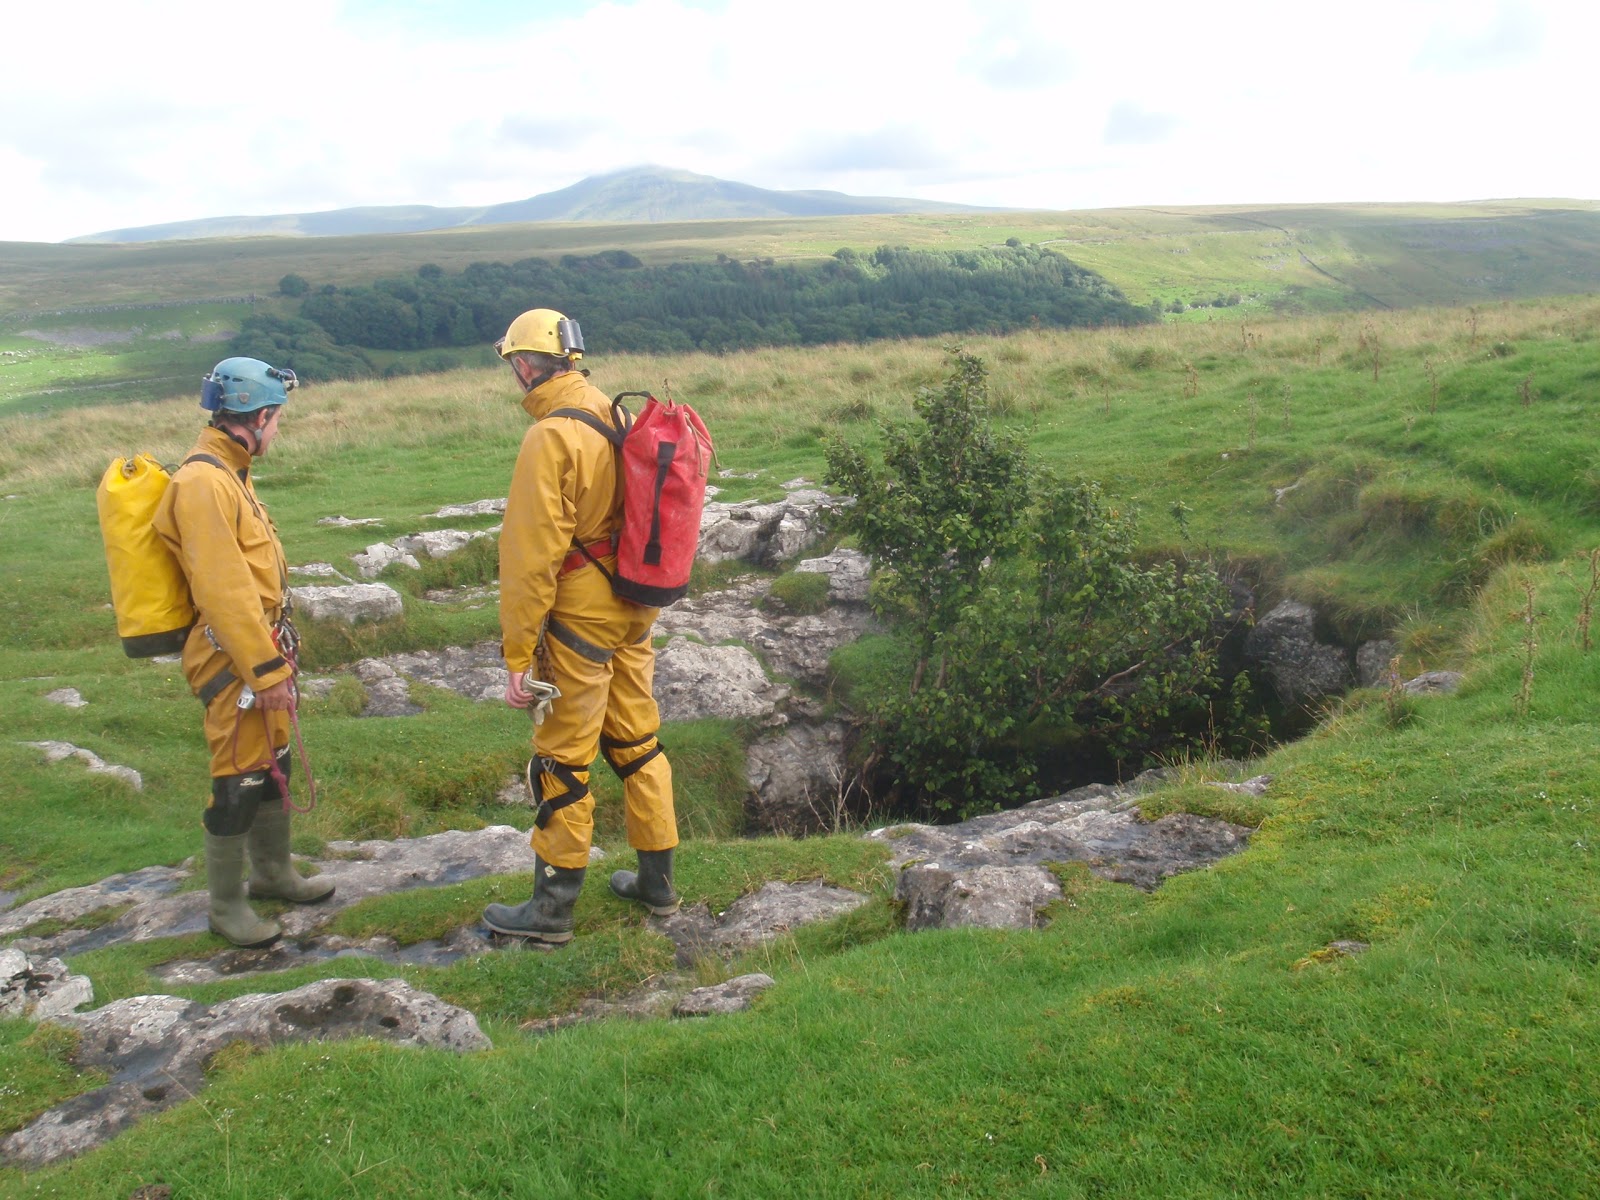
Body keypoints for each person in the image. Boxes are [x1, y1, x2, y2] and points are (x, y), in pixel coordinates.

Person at [482, 308, 680, 943]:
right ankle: (658, 883)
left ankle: (551, 912)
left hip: (581, 618)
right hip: (634, 607)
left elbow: (530, 557)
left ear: (522, 365)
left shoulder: (550, 438)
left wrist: (518, 653)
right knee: (639, 742)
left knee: (562, 759)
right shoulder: (617, 413)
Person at [152, 357, 332, 948]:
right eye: (277, 419)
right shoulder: (204, 483)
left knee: (272, 756)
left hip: (256, 646)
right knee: (238, 775)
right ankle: (226, 908)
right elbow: (224, 591)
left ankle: (274, 873)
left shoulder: (232, 470)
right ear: (258, 417)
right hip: (233, 657)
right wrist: (266, 668)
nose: (278, 430)